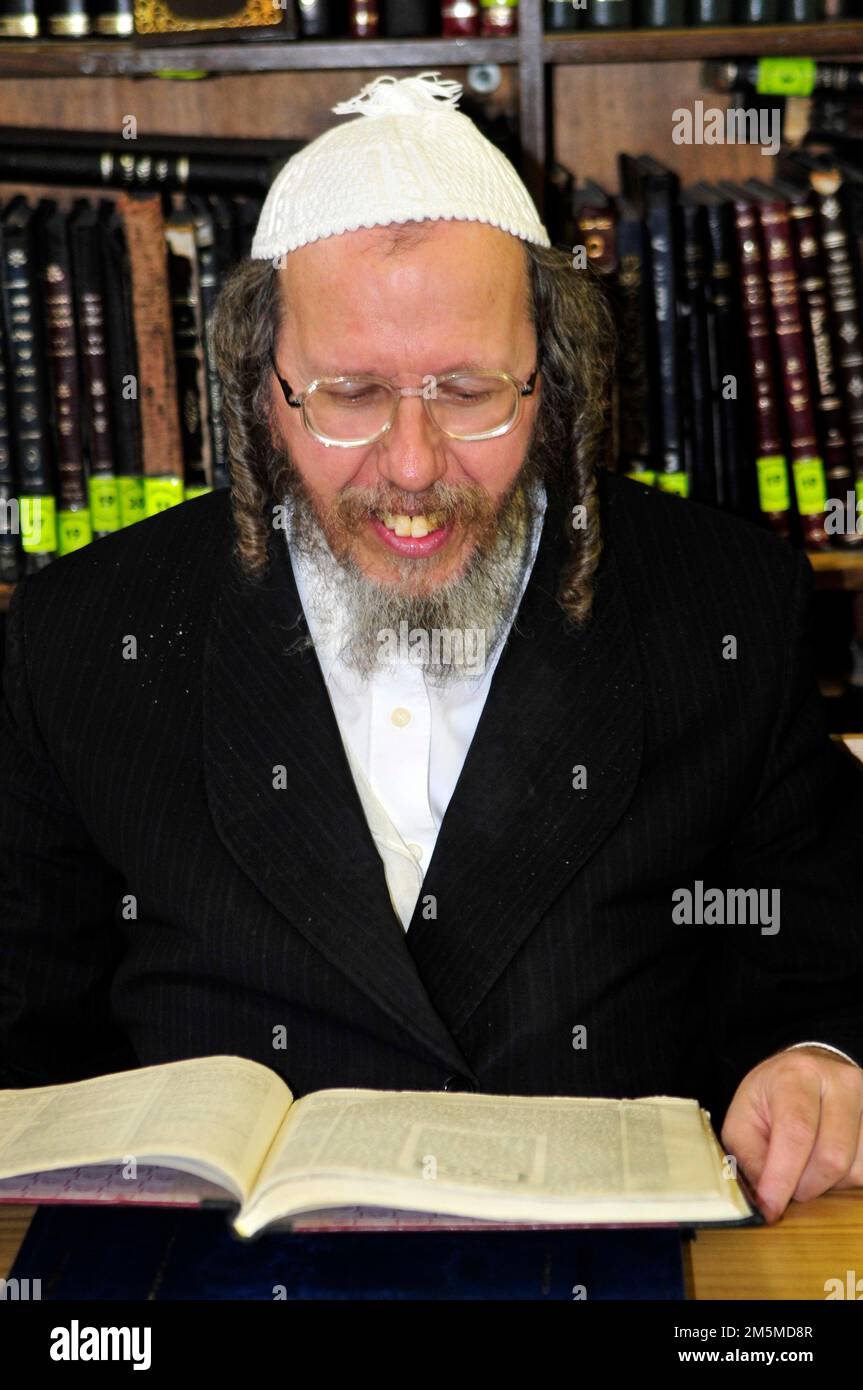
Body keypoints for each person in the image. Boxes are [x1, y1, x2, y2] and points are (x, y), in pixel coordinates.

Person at [1, 73, 862, 1223]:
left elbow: (825, 956)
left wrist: (823, 1061)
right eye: (350, 393)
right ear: (266, 391)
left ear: (551, 380)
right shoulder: (80, 639)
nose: (410, 467)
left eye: (467, 392)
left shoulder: (723, 605)